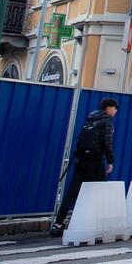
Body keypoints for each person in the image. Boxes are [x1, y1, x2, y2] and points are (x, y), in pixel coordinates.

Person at [50, 98, 117, 236]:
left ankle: (58, 224)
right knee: (99, 192)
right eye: (115, 108)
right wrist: (110, 161)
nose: (115, 111)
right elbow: (107, 143)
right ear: (109, 108)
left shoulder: (90, 120)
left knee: (72, 192)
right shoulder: (107, 122)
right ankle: (98, 224)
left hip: (81, 160)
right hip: (95, 162)